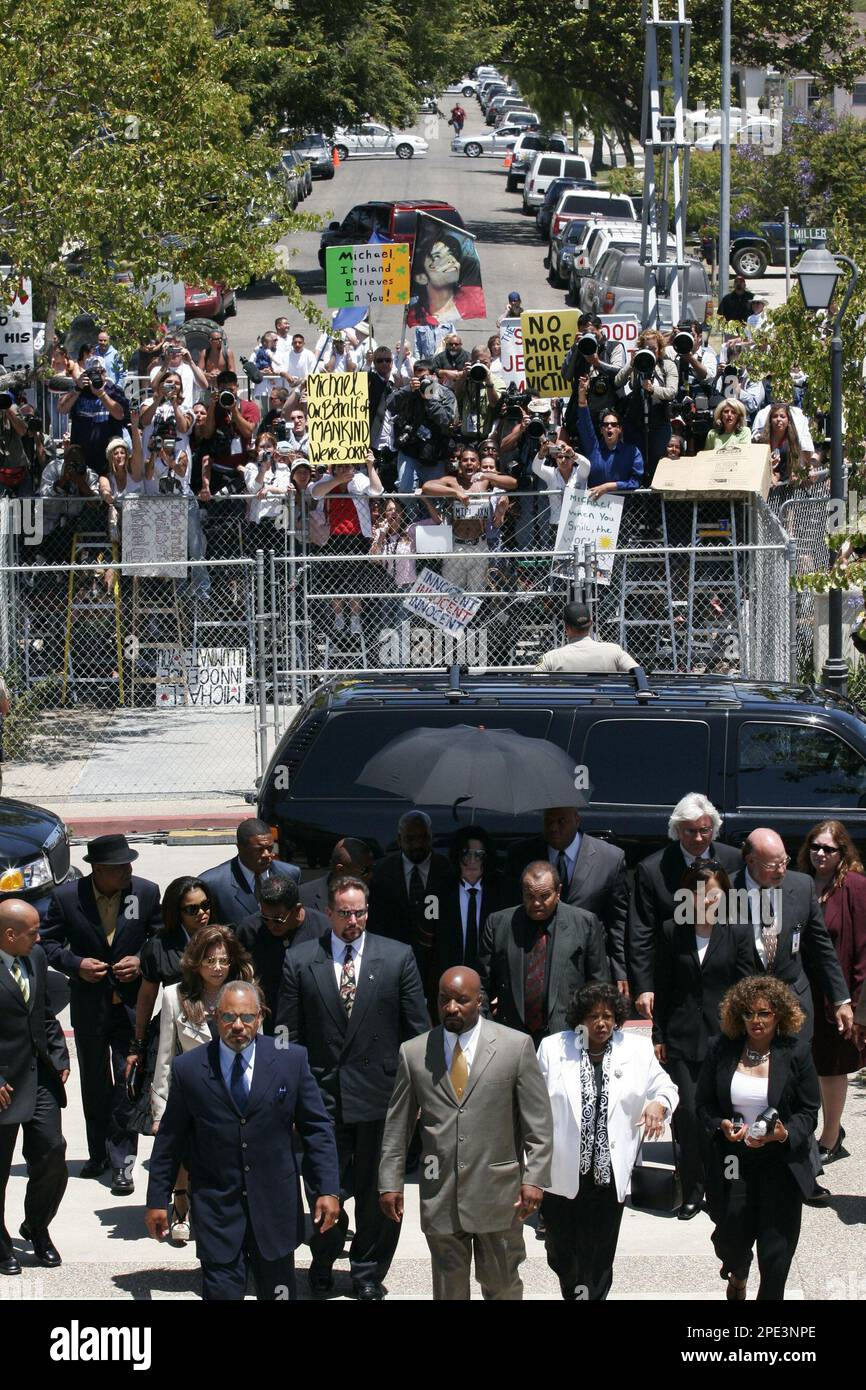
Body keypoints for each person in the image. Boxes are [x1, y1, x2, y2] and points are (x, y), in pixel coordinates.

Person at [276, 876, 428, 1300]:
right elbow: (287, 1033)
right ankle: (322, 1263)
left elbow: (418, 1032)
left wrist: (420, 1097)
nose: (353, 921)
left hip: (383, 1099)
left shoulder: (397, 957)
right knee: (326, 1189)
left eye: (360, 912)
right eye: (345, 913)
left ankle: (367, 1272)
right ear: (329, 912)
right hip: (323, 1099)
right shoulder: (302, 959)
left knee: (379, 1192)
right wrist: (289, 1092)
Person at [145, 980, 340, 1300]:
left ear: (261, 1017)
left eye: (247, 1017)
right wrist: (157, 1200)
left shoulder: (291, 1061)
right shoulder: (189, 1069)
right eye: (228, 1017)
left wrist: (328, 1189)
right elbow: (170, 1140)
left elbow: (317, 1129)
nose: (238, 1026)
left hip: (275, 1211)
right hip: (217, 1212)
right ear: (214, 1016)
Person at [378, 966, 553, 1301]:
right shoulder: (414, 1052)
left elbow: (539, 1123)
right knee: (449, 1292)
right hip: (440, 1196)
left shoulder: (515, 1047)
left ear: (480, 1002)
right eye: (444, 1000)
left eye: (461, 1000)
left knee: (502, 1286)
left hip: (499, 1196)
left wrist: (534, 1179)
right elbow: (397, 1126)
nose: (451, 1008)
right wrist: (390, 1182)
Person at [538, 982, 679, 1299]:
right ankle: (573, 1287)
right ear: (579, 1019)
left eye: (608, 1016)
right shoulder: (553, 1048)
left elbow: (667, 1088)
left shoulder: (637, 1050)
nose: (601, 1024)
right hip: (562, 1171)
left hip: (609, 1173)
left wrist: (659, 1105)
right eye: (592, 1016)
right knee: (563, 1253)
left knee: (600, 1253)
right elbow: (532, 1104)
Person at [40, 835, 162, 1193]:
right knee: (94, 1086)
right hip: (90, 1009)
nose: (128, 870)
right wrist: (75, 964)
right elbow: (48, 943)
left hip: (129, 1009)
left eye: (128, 864)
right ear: (98, 870)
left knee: (127, 1082)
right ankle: (99, 1155)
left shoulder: (145, 892)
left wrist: (141, 960)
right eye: (120, 867)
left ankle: (123, 1162)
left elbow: (160, 938)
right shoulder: (67, 898)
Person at [696, 976, 819, 1300]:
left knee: (776, 1253)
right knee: (730, 1239)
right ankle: (738, 1273)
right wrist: (720, 1123)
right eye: (749, 1013)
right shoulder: (720, 1049)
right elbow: (703, 1104)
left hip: (780, 1162)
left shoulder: (796, 1053)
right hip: (733, 1159)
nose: (756, 1020)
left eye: (764, 1013)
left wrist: (785, 1133)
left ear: (779, 1015)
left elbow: (809, 1111)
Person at [653, 863, 755, 1219]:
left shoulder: (738, 932)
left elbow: (746, 987)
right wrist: (658, 1034)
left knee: (725, 1114)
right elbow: (663, 987)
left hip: (724, 1037)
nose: (704, 899)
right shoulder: (671, 930)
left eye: (711, 892)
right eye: (696, 892)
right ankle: (693, 1189)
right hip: (681, 1037)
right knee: (690, 1115)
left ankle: (723, 1184)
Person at [150, 926, 255, 1243]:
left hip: (235, 1088)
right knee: (184, 1150)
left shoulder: (244, 992)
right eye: (210, 961)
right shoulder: (174, 996)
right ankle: (180, 1204)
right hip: (194, 1089)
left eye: (223, 961)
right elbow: (164, 1056)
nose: (218, 968)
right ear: (196, 962)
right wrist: (159, 1109)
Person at [731, 828, 852, 1047]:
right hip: (745, 1010)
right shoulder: (725, 891)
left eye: (784, 861)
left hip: (793, 1003)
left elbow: (821, 948)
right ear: (750, 861)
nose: (782, 870)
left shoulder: (802, 886)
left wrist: (840, 999)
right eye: (772, 865)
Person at [0, 900, 69, 1276]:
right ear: (9, 935)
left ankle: (37, 1226)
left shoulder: (36, 956)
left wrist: (59, 1057)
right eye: (32, 932)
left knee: (52, 1152)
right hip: (4, 1083)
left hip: (39, 1075)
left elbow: (44, 1012)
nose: (40, 938)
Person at [628, 792, 742, 1019]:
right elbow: (641, 932)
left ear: (714, 829)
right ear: (677, 830)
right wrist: (643, 987)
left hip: (723, 973)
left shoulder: (734, 860)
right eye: (691, 831)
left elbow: (742, 920)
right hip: (676, 975)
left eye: (705, 830)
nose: (699, 838)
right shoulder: (652, 870)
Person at [795, 820, 866, 1160]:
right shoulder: (799, 883)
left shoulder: (855, 886)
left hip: (838, 996)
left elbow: (863, 948)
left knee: (832, 1066)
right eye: (815, 846)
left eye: (829, 848)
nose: (820, 853)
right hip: (800, 990)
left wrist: (853, 999)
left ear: (842, 853)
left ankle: (831, 1137)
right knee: (805, 1064)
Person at [479, 861, 610, 1043]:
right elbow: (482, 984)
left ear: (558, 892)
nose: (537, 903)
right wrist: (484, 1026)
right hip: (511, 1036)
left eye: (544, 896)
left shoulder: (584, 923)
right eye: (530, 896)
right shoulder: (498, 924)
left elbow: (599, 985)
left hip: (568, 1036)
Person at [508, 804, 629, 991]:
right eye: (549, 821)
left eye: (561, 821)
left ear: (577, 819)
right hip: (536, 966)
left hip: (588, 965)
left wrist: (620, 971)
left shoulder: (610, 858)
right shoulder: (521, 855)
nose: (554, 827)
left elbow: (617, 923)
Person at [126, 876, 213, 1085]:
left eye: (205, 905)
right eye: (192, 909)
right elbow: (147, 996)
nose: (202, 913)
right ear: (177, 913)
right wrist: (138, 1043)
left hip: (215, 1026)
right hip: (176, 1027)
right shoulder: (158, 946)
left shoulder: (223, 937)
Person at [367, 811, 456, 989]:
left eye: (423, 837)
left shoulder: (448, 871)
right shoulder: (382, 873)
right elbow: (376, 925)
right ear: (399, 840)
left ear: (431, 837)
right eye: (410, 839)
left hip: (436, 967)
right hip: (393, 966)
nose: (417, 844)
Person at [234, 876, 325, 1031]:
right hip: (270, 1021)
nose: (271, 925)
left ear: (297, 909)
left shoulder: (323, 930)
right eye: (265, 918)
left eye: (278, 920)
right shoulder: (249, 931)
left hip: (312, 1020)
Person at [310, 454, 384, 636]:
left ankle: (355, 619)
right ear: (333, 467)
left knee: (355, 584)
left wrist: (369, 465)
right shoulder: (328, 479)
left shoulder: (359, 479)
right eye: (339, 466)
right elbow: (315, 492)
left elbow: (377, 490)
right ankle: (338, 618)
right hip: (333, 539)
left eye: (347, 466)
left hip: (356, 538)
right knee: (335, 583)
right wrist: (337, 480)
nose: (343, 469)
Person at [435, 827, 511, 983]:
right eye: (465, 854)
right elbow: (429, 945)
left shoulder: (504, 892)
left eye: (479, 855)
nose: (472, 861)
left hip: (492, 984)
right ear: (456, 856)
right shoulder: (437, 893)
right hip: (448, 982)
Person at [200, 818, 299, 926]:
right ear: (240, 848)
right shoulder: (214, 883)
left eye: (270, 848)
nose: (267, 855)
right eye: (259, 850)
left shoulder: (290, 873)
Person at [613, 328, 678, 474]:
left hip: (659, 423)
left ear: (660, 348)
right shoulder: (636, 365)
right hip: (635, 423)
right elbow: (617, 381)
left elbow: (672, 392)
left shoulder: (668, 365)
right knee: (636, 463)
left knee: (657, 462)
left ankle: (655, 494)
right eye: (646, 348)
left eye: (653, 349)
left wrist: (653, 389)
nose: (650, 351)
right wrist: (631, 364)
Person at [56, 356, 129, 476]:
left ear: (105, 373)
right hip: (83, 457)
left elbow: (120, 415)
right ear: (86, 374)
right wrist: (77, 388)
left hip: (108, 458)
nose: (98, 376)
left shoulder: (114, 391)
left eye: (101, 371)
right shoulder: (78, 390)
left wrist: (101, 394)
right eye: (94, 372)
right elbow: (61, 409)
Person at [574, 379, 644, 495]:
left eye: (614, 425)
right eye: (605, 425)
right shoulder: (593, 449)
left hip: (623, 507)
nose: (609, 427)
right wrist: (582, 397)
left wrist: (609, 487)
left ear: (620, 429)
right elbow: (586, 425)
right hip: (595, 506)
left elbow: (635, 482)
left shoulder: (633, 452)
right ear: (601, 430)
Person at [537, 600, 638, 674]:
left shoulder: (551, 658)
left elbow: (534, 685)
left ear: (566, 628)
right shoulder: (613, 651)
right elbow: (638, 674)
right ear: (591, 623)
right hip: (605, 702)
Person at [300, 839, 375, 915]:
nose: (371, 875)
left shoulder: (375, 897)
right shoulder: (304, 897)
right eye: (366, 870)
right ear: (340, 870)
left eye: (373, 868)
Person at [752, 401, 815, 487]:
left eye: (782, 416)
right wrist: (770, 474)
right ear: (770, 420)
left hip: (785, 487)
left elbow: (795, 463)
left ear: (788, 421)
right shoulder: (761, 440)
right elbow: (756, 464)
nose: (778, 419)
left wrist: (794, 472)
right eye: (775, 416)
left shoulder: (792, 440)